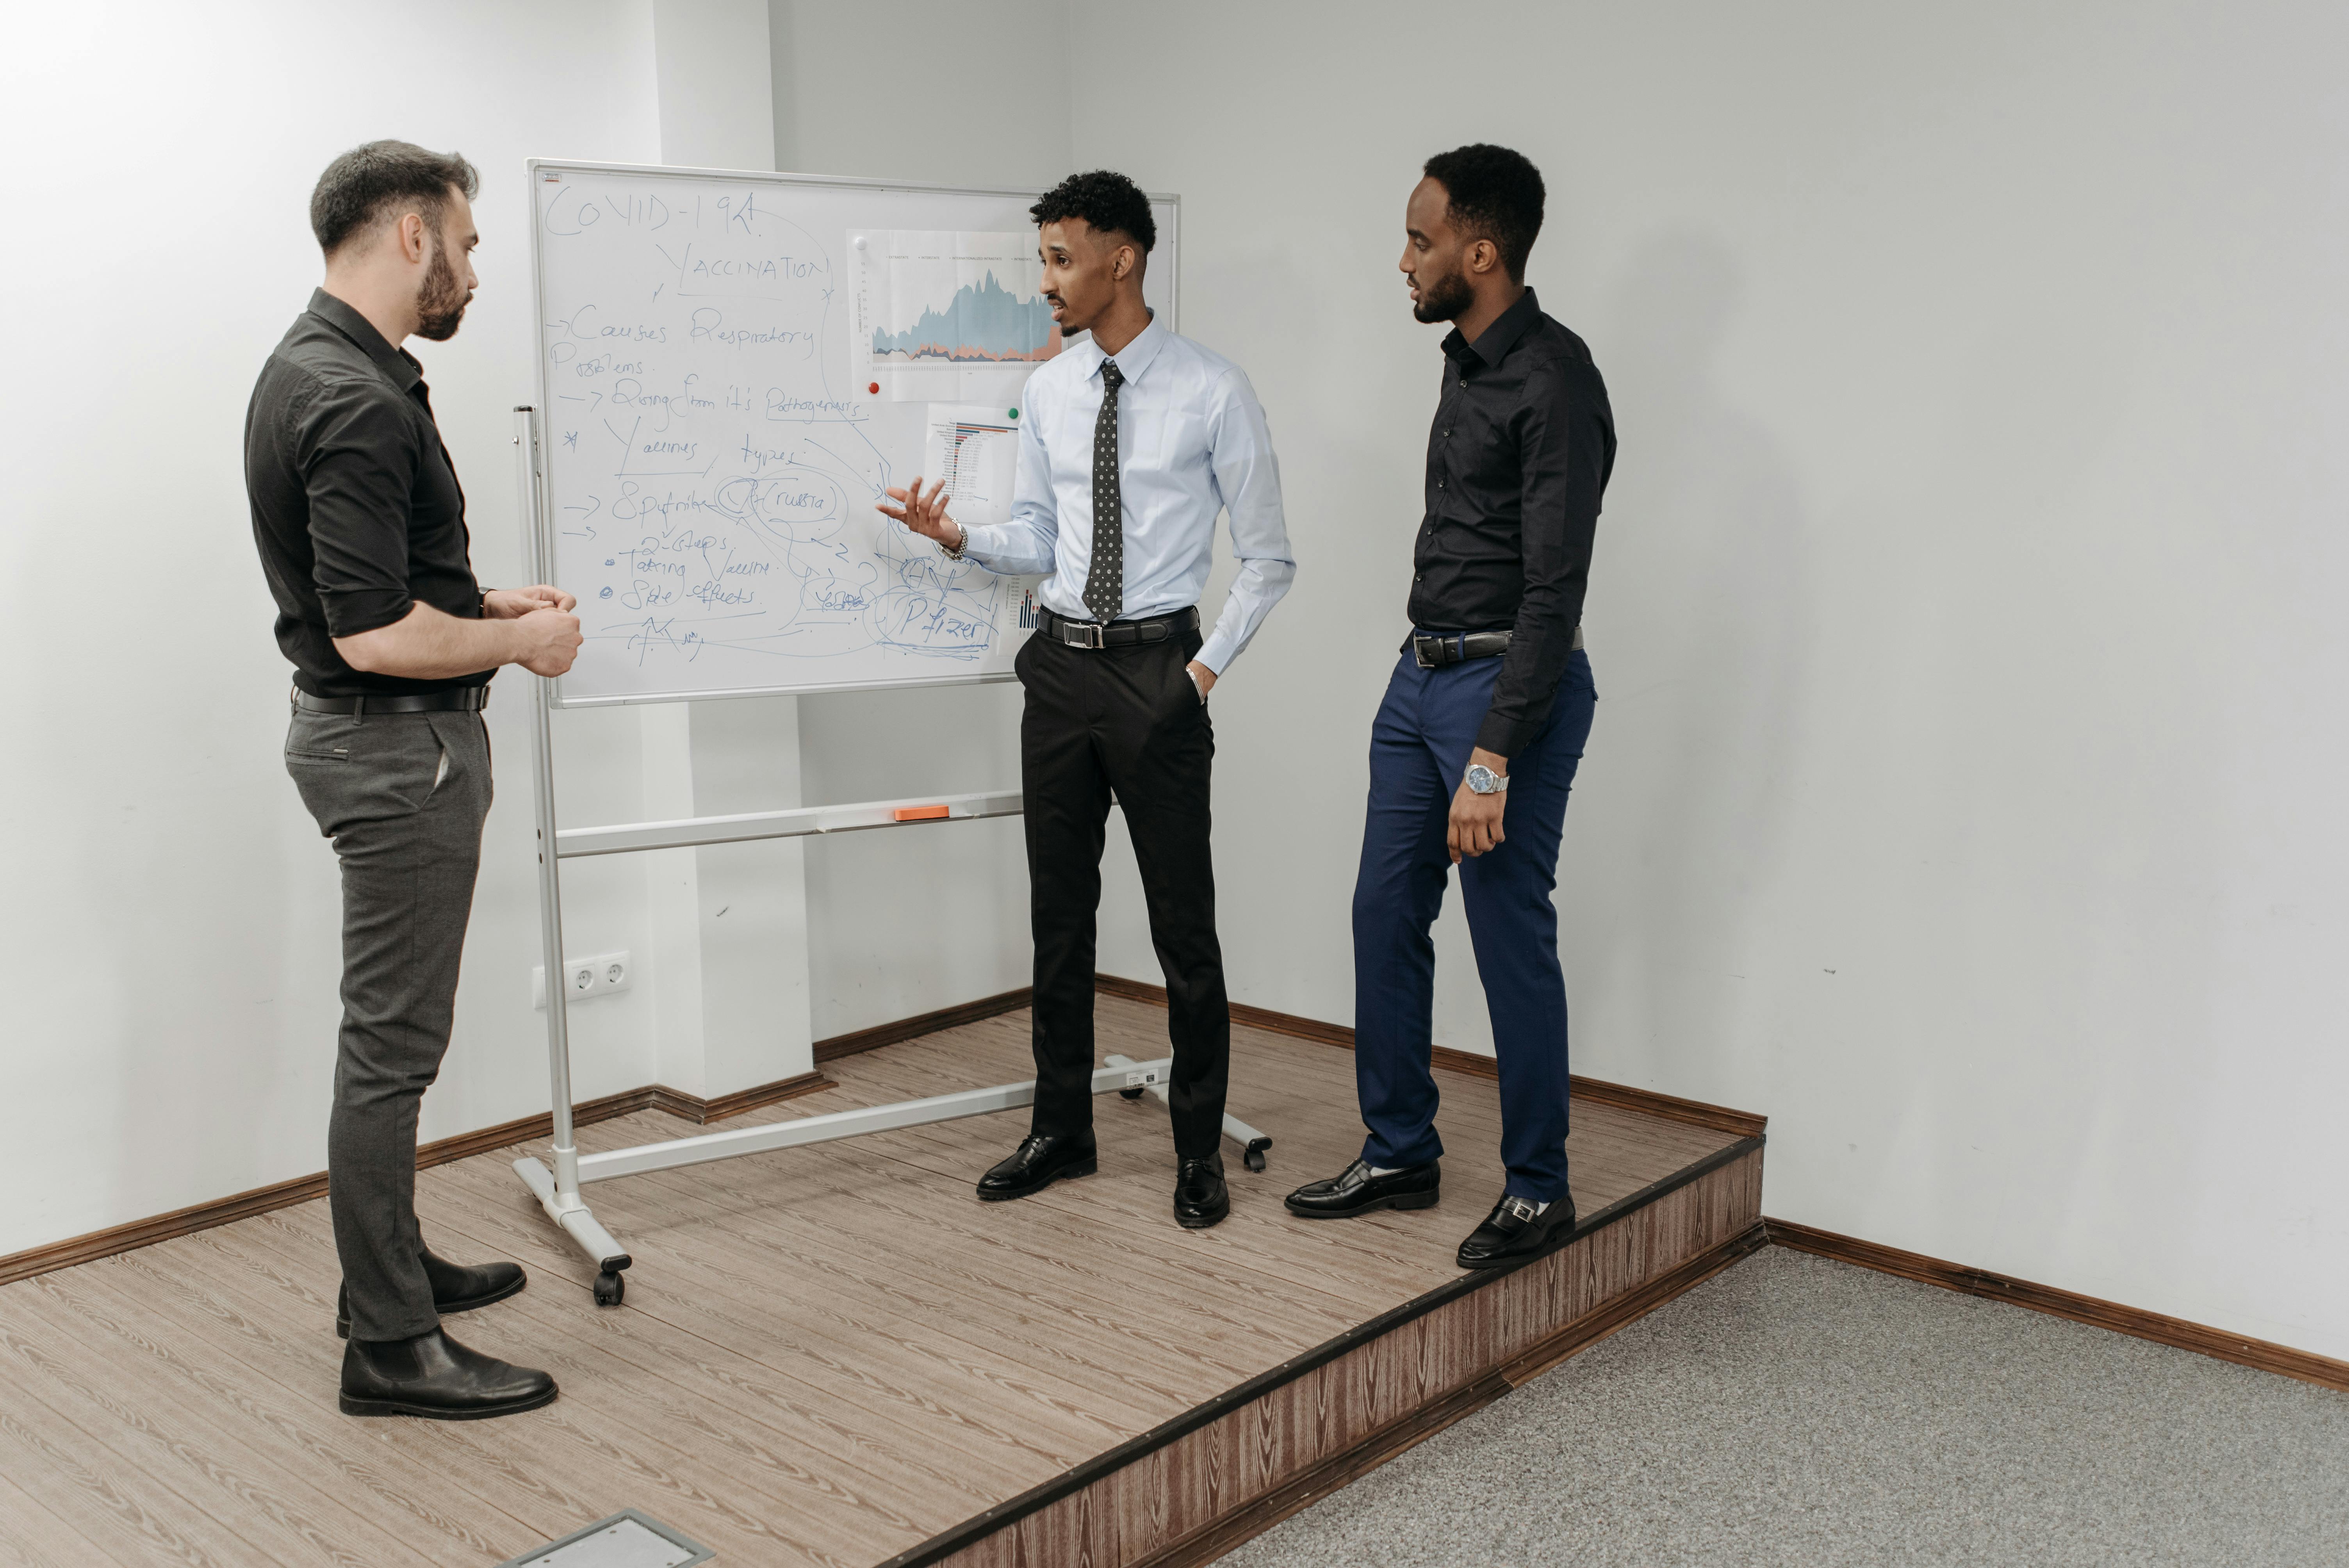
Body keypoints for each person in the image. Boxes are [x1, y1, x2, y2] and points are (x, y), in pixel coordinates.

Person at [879, 170, 1295, 1229]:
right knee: (1058, 919)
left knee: (1183, 929)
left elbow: (1269, 561)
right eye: (1044, 262)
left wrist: (1199, 676)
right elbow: (1042, 537)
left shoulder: (1214, 389)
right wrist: (958, 538)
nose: (1047, 282)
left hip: (1159, 675)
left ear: (1124, 259)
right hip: (1061, 673)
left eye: (1062, 260)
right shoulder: (1053, 390)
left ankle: (1197, 1149)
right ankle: (1062, 1129)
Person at [246, 141, 583, 1417]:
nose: (475, 269)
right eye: (467, 241)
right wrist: (521, 645)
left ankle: (386, 1272)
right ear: (408, 234)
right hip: (397, 752)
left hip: (379, 743)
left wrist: (479, 603)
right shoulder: (356, 399)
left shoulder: (324, 365)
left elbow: (377, 587)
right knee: (392, 1051)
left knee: (390, 1041)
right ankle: (389, 1345)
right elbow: (373, 636)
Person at [1284, 144, 1615, 1269]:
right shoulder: (1464, 363)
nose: (1403, 261)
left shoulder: (1555, 381)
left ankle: (1539, 1190)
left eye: (1420, 242)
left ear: (1481, 254)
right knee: (1384, 913)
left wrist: (1492, 757)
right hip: (1419, 676)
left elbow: (1554, 591)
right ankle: (1400, 1151)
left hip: (1506, 692)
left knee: (1508, 935)